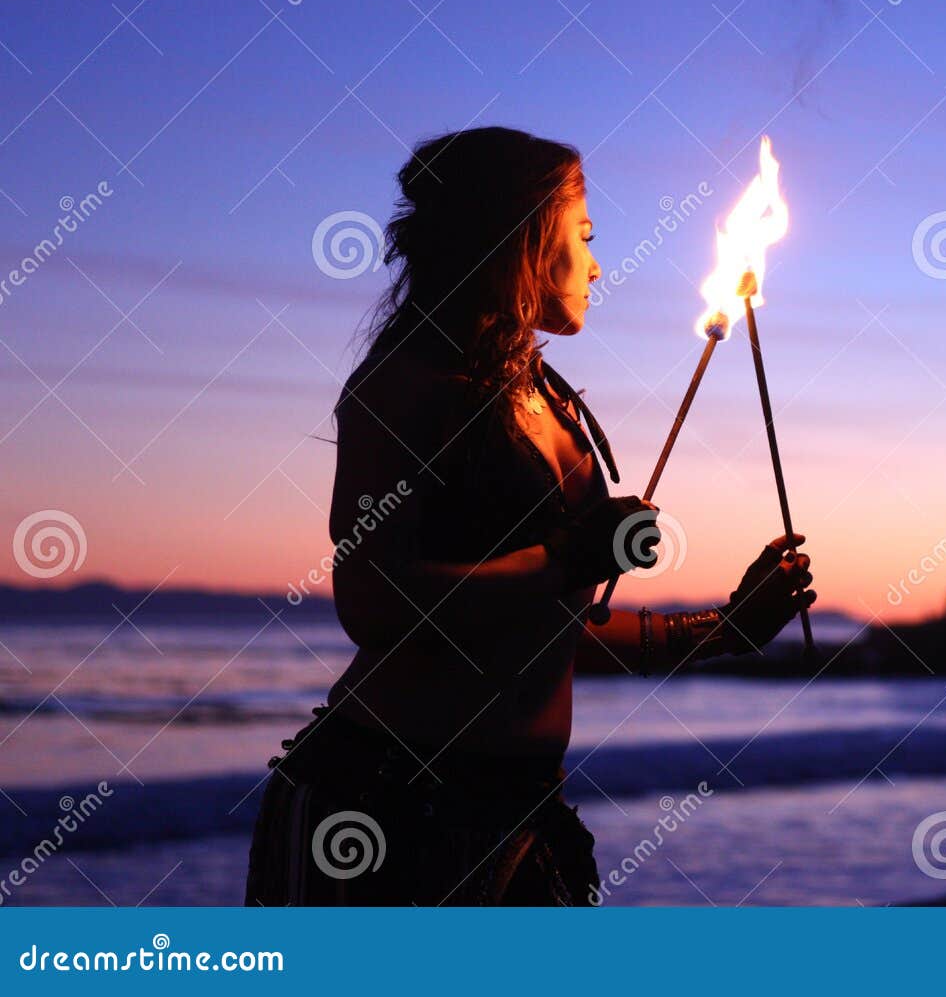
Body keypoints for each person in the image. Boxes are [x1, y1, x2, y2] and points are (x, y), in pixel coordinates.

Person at [245, 127, 815, 905]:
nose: (597, 263)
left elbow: (548, 632)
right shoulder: (406, 385)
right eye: (582, 235)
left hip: (519, 815)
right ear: (520, 237)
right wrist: (568, 558)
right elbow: (374, 601)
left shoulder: (546, 397)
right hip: (388, 811)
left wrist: (729, 628)